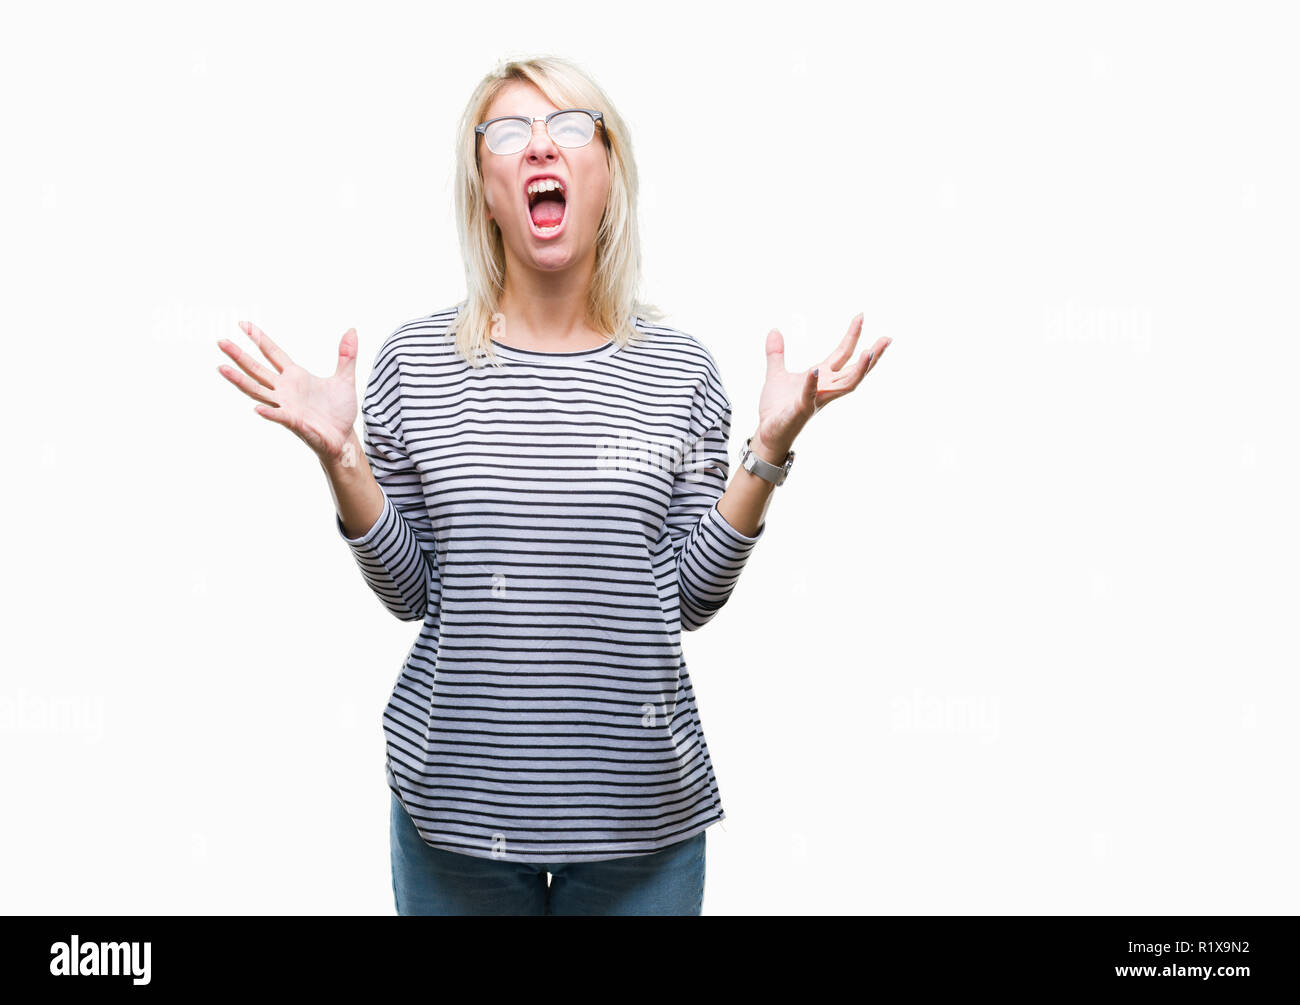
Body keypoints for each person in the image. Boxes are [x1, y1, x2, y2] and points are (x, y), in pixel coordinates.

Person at [216, 54, 891, 916]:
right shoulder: (413, 366)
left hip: (641, 819)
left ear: (608, 174)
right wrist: (341, 455)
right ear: (484, 187)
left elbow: (686, 598)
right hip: (455, 809)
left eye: (571, 127)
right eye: (509, 133)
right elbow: (413, 591)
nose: (541, 147)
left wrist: (768, 449)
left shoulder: (681, 372)